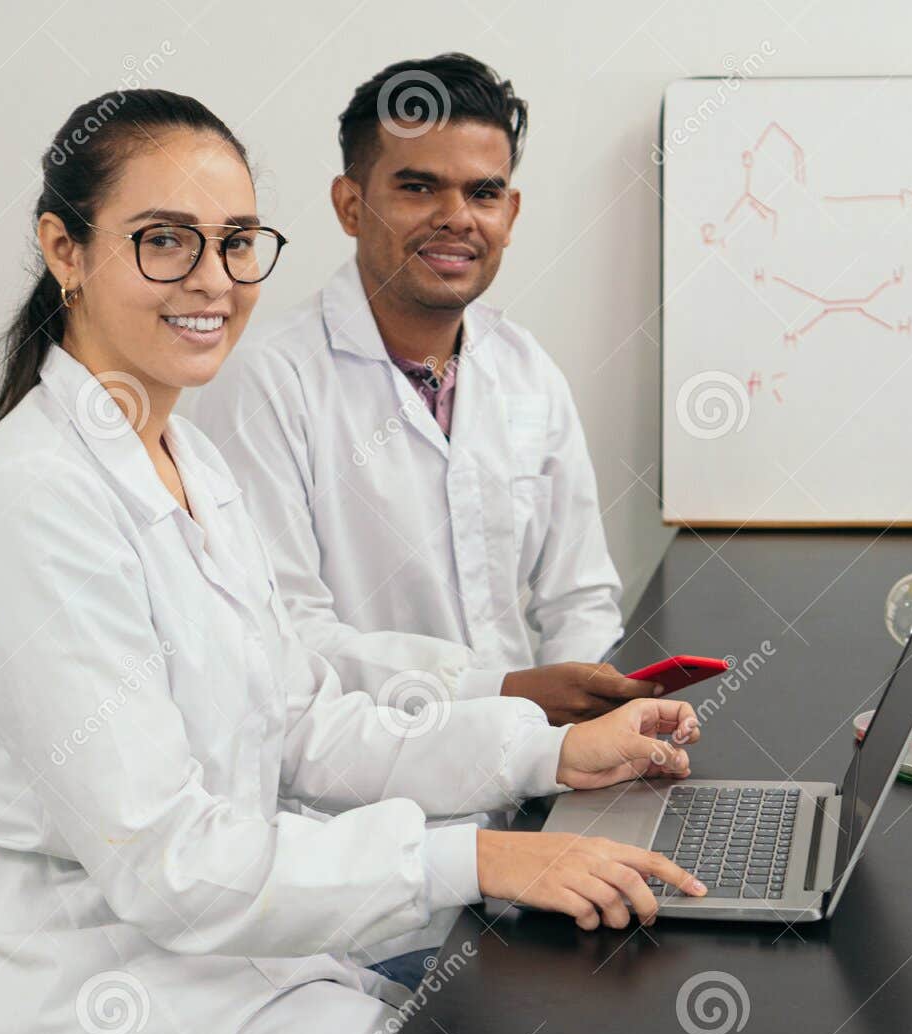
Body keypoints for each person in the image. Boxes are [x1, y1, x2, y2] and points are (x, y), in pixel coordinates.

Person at [0, 89, 705, 1034]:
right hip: (104, 1023)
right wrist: (481, 854)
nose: (213, 280)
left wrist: (549, 755)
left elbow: (306, 718)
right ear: (65, 248)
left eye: (235, 242)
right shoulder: (28, 509)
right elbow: (170, 864)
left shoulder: (187, 461)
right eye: (163, 240)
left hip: (245, 970)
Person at [194, 54, 650, 729]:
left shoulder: (527, 372)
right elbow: (288, 633)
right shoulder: (267, 380)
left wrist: (589, 716)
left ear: (511, 212)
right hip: (354, 808)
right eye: (418, 187)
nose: (456, 218)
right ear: (351, 205)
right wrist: (503, 693)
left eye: (484, 193)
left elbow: (580, 597)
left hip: (532, 770)